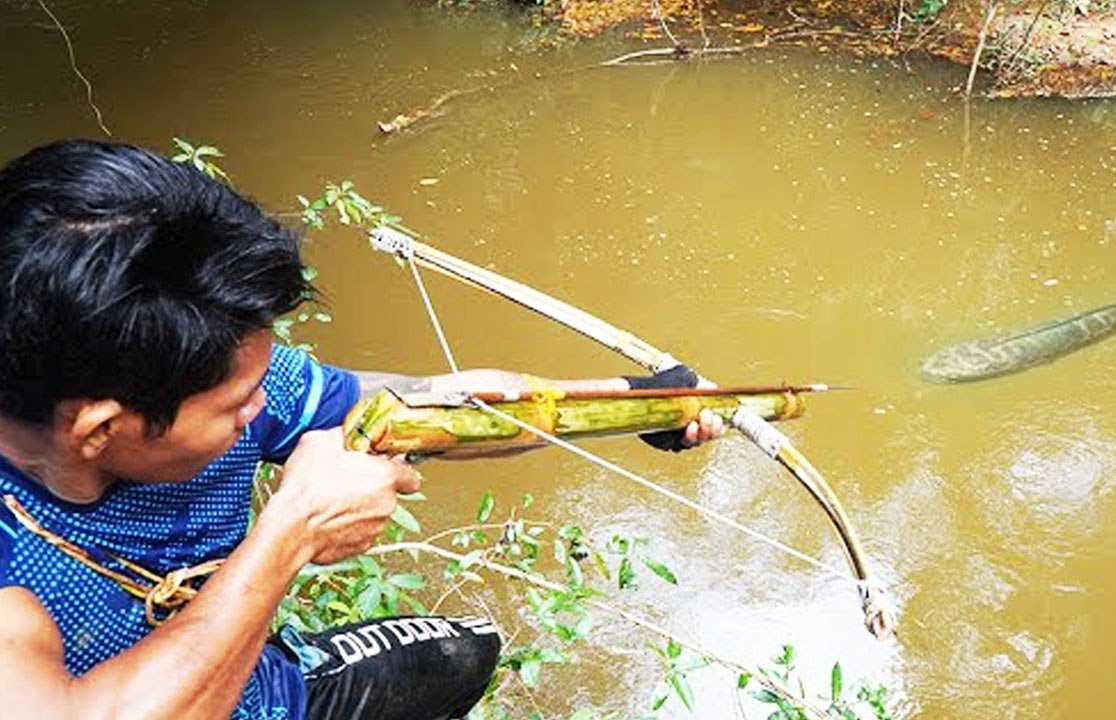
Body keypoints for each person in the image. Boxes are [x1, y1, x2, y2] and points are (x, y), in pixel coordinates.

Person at [0, 140, 724, 720]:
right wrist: (293, 532)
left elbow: (438, 407)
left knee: (468, 652)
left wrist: (639, 405)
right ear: (98, 428)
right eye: (234, 407)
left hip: (270, 687)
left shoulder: (211, 379)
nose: (259, 409)